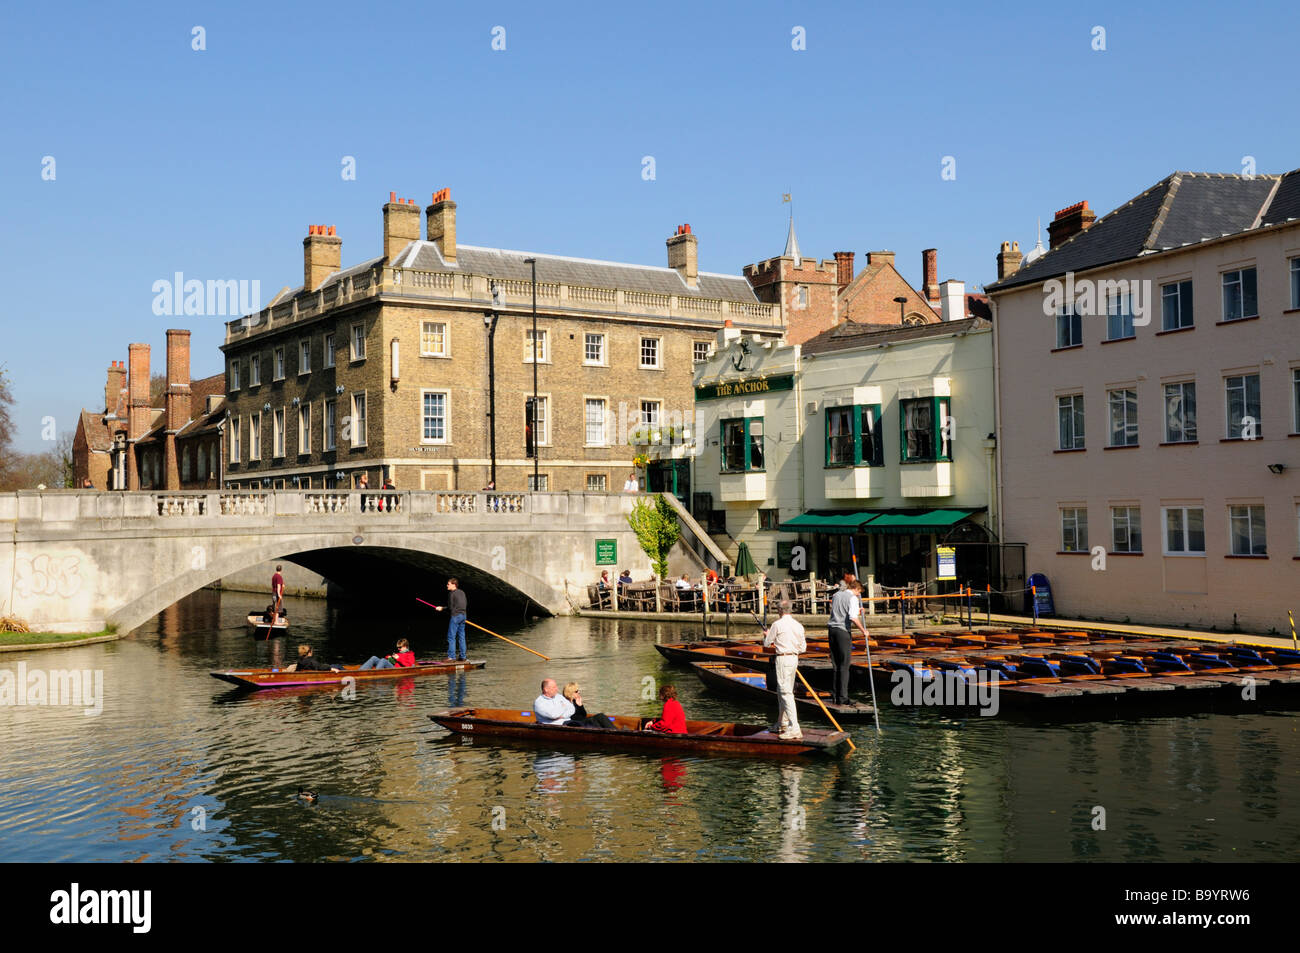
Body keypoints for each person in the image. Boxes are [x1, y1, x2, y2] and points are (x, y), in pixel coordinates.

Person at [762, 601, 807, 740]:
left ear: (780, 611)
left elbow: (766, 643)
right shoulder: (798, 626)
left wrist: (767, 634)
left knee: (786, 692)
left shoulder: (777, 624)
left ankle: (795, 728)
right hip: (794, 659)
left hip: (783, 658)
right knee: (783, 691)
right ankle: (782, 723)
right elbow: (803, 648)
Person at [828, 580, 870, 705]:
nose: (858, 595)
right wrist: (864, 631)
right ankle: (843, 698)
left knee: (836, 665)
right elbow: (852, 617)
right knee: (844, 666)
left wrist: (857, 610)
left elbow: (841, 610)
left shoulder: (836, 595)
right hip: (843, 631)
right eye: (859, 593)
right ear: (856, 589)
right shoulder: (852, 598)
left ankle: (836, 695)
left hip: (832, 630)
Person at [433, 577, 468, 661]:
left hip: (456, 616)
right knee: (461, 637)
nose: (447, 585)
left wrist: (441, 608)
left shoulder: (451, 594)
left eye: (448, 584)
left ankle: (451, 657)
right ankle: (463, 657)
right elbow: (465, 604)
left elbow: (450, 608)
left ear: (454, 584)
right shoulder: (462, 592)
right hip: (463, 616)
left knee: (451, 637)